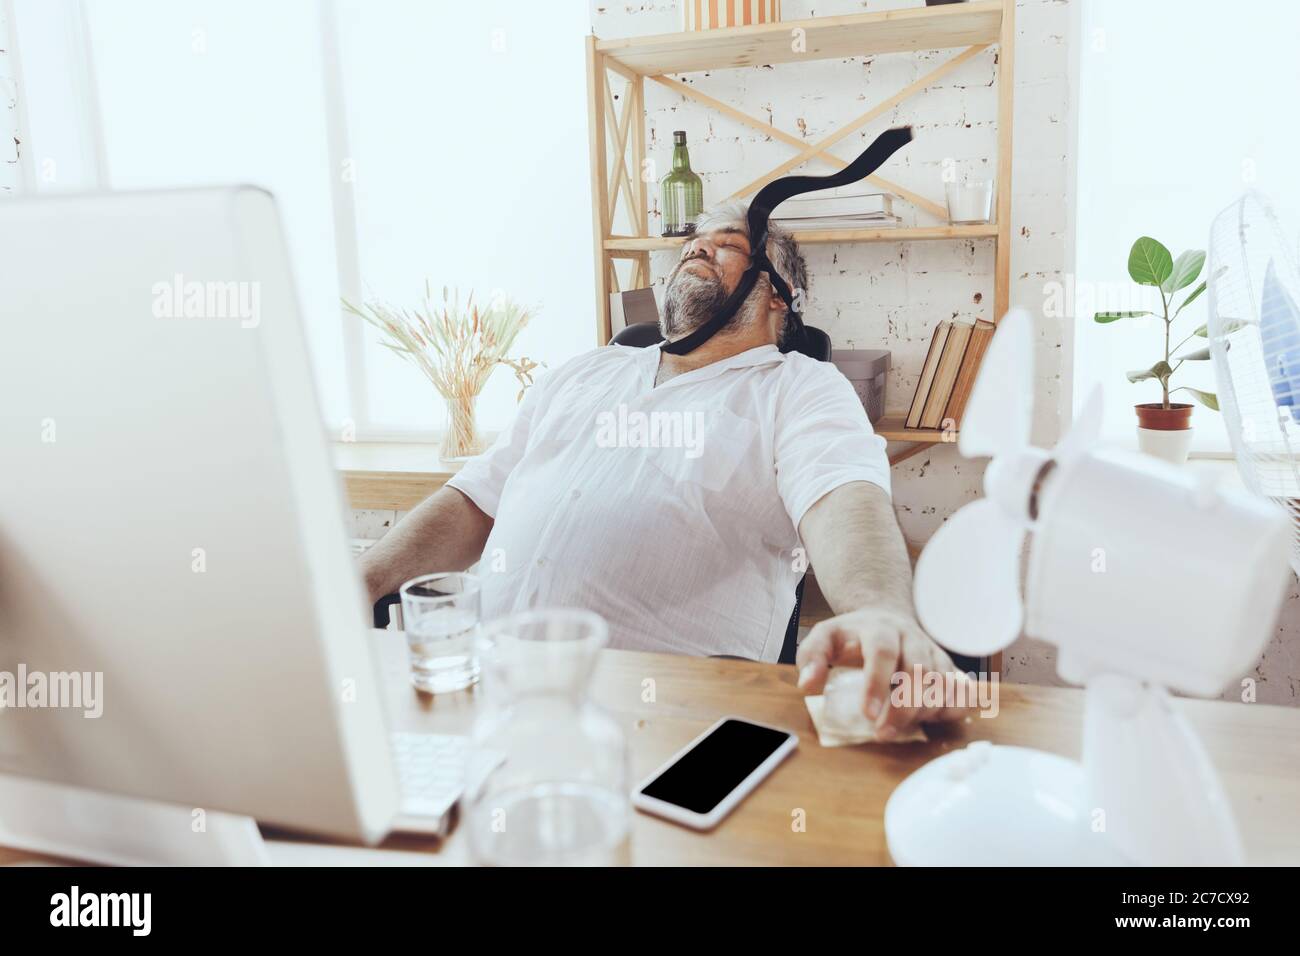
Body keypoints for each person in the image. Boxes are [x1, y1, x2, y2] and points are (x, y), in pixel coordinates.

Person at [361, 201, 973, 736]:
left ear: (780, 297)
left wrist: (880, 613)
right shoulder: (583, 372)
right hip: (481, 697)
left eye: (729, 244)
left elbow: (844, 497)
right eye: (694, 242)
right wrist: (364, 577)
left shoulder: (801, 389)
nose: (701, 247)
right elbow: (476, 496)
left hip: (668, 722)